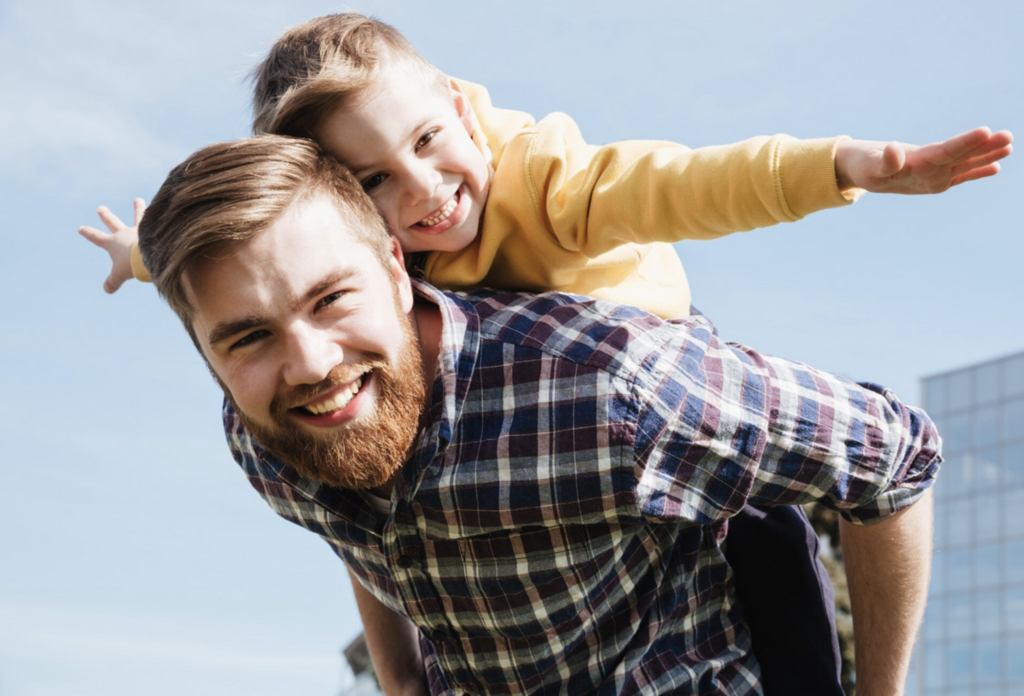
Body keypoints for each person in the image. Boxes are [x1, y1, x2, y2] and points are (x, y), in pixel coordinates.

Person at [77, 14, 1005, 693]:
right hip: (505, 516)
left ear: (456, 105)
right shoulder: (305, 366)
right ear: (347, 209)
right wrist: (144, 257)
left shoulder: (551, 187)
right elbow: (256, 269)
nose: (427, 190)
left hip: (681, 432)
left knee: (776, 576)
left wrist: (844, 166)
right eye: (375, 181)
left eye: (430, 142)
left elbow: (689, 184)